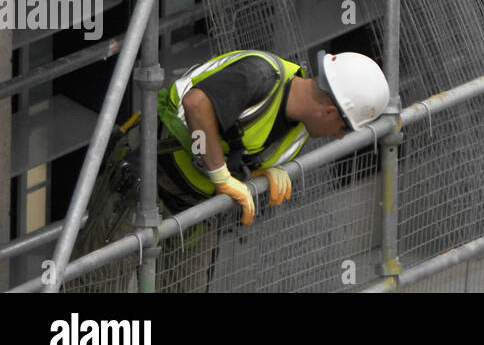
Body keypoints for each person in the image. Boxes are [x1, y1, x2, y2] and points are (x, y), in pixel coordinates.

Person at [74, 49, 390, 286]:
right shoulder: (259, 76)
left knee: (185, 287)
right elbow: (196, 104)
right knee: (96, 284)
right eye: (344, 127)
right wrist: (221, 176)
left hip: (194, 203)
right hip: (144, 178)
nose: (339, 136)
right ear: (329, 111)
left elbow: (242, 146)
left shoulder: (301, 127)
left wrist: (260, 172)